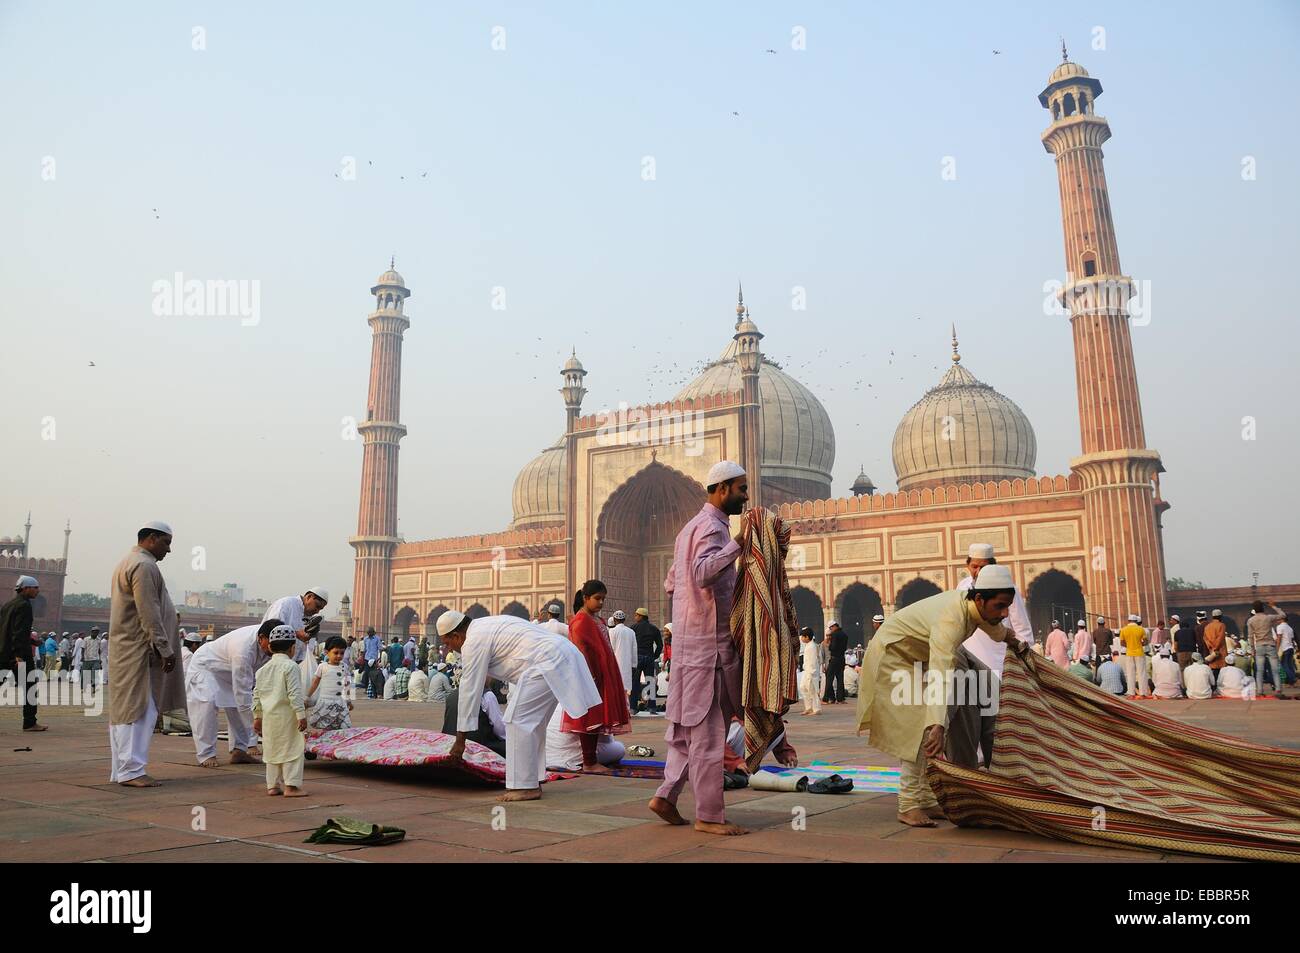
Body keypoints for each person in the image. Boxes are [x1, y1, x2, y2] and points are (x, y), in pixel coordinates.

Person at [856, 564, 1020, 827]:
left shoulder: (977, 611)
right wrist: (938, 725)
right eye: (1000, 606)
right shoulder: (952, 619)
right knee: (919, 730)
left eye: (1006, 607)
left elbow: (994, 627)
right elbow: (941, 674)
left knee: (934, 719)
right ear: (980, 599)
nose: (1003, 613)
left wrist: (1012, 640)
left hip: (916, 657)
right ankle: (908, 804)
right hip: (894, 656)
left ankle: (927, 798)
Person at [647, 461, 751, 836]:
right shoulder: (713, 529)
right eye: (741, 489)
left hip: (691, 649)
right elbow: (702, 574)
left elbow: (672, 583)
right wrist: (740, 544)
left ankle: (666, 796)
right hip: (710, 651)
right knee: (708, 735)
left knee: (685, 733)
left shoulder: (688, 529)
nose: (745, 496)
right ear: (721, 489)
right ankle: (708, 815)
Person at [439, 610, 601, 802]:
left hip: (547, 661)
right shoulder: (485, 626)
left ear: (456, 635)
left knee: (517, 720)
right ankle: (535, 778)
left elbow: (469, 691)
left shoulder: (473, 641)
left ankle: (525, 786)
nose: (449, 649)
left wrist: (460, 742)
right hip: (559, 655)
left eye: (448, 643)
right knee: (534, 723)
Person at [107, 521, 181, 787]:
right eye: (166, 543)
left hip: (127, 648)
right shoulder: (144, 565)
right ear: (151, 539)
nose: (169, 550)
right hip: (138, 649)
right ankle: (132, 771)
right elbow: (148, 611)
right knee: (139, 710)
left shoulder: (130, 561)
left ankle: (123, 770)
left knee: (127, 710)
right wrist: (164, 648)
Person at [186, 619, 281, 766]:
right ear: (261, 638)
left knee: (239, 709)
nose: (273, 651)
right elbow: (243, 693)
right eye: (270, 647)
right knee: (207, 706)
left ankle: (239, 750)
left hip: (231, 671)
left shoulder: (277, 640)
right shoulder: (243, 650)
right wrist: (256, 724)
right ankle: (206, 754)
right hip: (207, 667)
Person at [561, 580, 631, 774]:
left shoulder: (596, 620)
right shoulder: (580, 621)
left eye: (603, 599)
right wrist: (589, 675)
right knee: (589, 716)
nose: (601, 603)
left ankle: (591, 760)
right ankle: (589, 762)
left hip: (602, 674)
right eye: (597, 598)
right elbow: (580, 650)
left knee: (596, 716)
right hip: (589, 675)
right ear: (585, 598)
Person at [953, 544, 1035, 674]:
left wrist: (1026, 659)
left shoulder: (1007, 588)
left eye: (983, 567)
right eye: (974, 567)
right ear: (968, 566)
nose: (978, 572)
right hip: (969, 660)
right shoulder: (962, 587)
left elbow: (1022, 628)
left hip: (999, 661)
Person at [253, 625, 308, 798]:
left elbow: (256, 695)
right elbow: (294, 694)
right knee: (293, 749)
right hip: (288, 717)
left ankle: (272, 786)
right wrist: (301, 715)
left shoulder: (262, 670)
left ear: (270, 647)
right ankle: (291, 786)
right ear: (293, 648)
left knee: (271, 750)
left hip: (269, 718)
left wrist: (257, 717)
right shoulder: (291, 667)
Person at [1, 576, 44, 731]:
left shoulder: (8, 605)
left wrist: (33, 642)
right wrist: (19, 655)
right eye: (35, 587)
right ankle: (30, 722)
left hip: (3, 652)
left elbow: (11, 630)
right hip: (18, 655)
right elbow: (19, 632)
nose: (37, 590)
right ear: (25, 588)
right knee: (30, 686)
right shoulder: (24, 606)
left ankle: (30, 721)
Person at [545, 705, 625, 771]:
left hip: (546, 754)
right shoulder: (593, 700)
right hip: (573, 756)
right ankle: (588, 763)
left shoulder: (561, 699)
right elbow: (606, 739)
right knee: (619, 748)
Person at [307, 636, 353, 731]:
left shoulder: (345, 667)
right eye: (336, 653)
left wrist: (348, 700)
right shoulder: (322, 667)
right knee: (326, 725)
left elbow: (347, 684)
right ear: (327, 652)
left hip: (340, 702)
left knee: (343, 726)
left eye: (342, 653)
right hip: (325, 702)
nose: (339, 656)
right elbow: (315, 683)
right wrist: (307, 696)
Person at [1246, 601, 1287, 697]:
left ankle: (1260, 691)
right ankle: (1278, 690)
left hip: (1259, 646)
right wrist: (1273, 606)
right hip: (1270, 645)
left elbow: (1250, 637)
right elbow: (1283, 615)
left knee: (1259, 670)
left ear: (1254, 610)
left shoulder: (1251, 620)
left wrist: (1252, 650)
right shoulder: (1268, 618)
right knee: (1275, 670)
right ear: (1263, 608)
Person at [631, 607, 663, 714]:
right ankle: (652, 707)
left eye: (636, 615)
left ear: (640, 616)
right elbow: (660, 645)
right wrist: (655, 656)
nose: (635, 617)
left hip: (637, 657)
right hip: (649, 657)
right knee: (650, 681)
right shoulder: (654, 628)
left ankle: (633, 707)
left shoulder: (633, 628)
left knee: (635, 683)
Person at [607, 609, 638, 706]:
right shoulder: (631, 632)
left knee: (616, 686)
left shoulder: (612, 631)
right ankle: (626, 708)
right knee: (626, 688)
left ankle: (618, 709)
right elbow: (634, 649)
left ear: (614, 620)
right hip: (627, 664)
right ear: (624, 620)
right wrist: (634, 664)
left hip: (615, 663)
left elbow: (611, 648)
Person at [1118, 614, 1149, 698]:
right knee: (1141, 673)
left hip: (1129, 653)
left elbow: (1122, 643)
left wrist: (1129, 645)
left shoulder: (1124, 629)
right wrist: (1139, 644)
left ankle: (1131, 693)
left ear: (1128, 621)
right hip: (1139, 653)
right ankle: (1143, 693)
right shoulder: (1140, 629)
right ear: (1136, 621)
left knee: (1130, 673)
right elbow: (1146, 642)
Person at [798, 627, 823, 715]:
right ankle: (809, 707)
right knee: (803, 688)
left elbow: (813, 661)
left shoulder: (812, 646)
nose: (801, 638)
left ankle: (816, 709)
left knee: (812, 690)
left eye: (802, 636)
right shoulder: (809, 646)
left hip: (811, 672)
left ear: (807, 637)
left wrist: (811, 673)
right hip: (807, 671)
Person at [822, 620, 848, 704]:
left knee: (829, 678)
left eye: (831, 628)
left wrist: (830, 646)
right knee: (840, 679)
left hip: (834, 659)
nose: (831, 630)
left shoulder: (834, 635)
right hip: (841, 658)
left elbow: (833, 647)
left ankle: (826, 698)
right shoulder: (844, 634)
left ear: (834, 626)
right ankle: (840, 698)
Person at [1201, 610, 1228, 686]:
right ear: (1220, 616)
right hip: (1220, 651)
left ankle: (1214, 686)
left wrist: (1211, 647)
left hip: (1212, 652)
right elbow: (1220, 638)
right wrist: (1216, 648)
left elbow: (1205, 638)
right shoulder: (1221, 625)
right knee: (1221, 671)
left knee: (1214, 670)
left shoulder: (1207, 627)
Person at [362, 627, 382, 697]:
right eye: (368, 633)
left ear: (373, 632)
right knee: (366, 674)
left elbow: (380, 649)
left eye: (370, 632)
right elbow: (364, 649)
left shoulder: (377, 639)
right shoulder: (365, 639)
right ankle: (366, 688)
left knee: (374, 675)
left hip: (374, 659)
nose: (369, 634)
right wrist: (363, 659)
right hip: (367, 658)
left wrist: (380, 659)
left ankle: (374, 691)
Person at [1278, 614, 1296, 686]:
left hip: (1285, 648)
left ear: (1282, 619)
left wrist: (1277, 648)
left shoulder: (1280, 627)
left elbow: (1279, 638)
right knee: (1290, 665)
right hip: (1291, 648)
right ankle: (1291, 682)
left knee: (1284, 665)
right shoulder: (1290, 628)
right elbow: (1292, 639)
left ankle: (1292, 680)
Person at [81, 625, 102, 689]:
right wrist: (82, 657)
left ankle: (93, 684)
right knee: (85, 673)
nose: (96, 633)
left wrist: (100, 658)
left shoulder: (99, 640)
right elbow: (83, 649)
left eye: (97, 632)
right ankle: (83, 686)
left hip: (96, 659)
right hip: (87, 659)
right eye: (95, 632)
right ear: (92, 632)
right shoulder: (86, 639)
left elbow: (99, 650)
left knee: (95, 672)